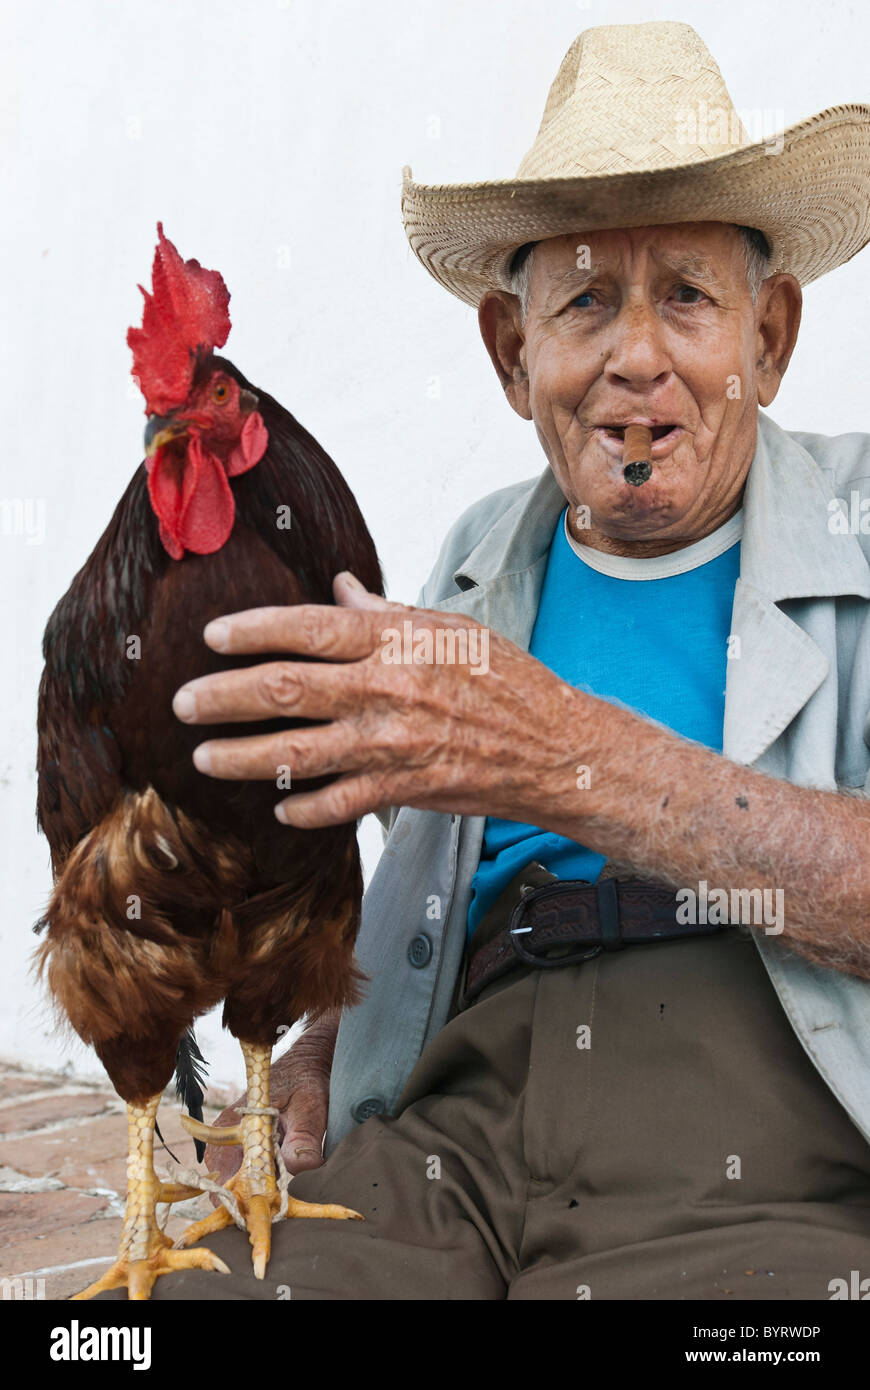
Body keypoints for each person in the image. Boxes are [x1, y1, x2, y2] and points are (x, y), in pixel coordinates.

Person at [116, 20, 870, 1300]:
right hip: (453, 1126)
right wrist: (323, 1049)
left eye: (687, 294)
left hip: (753, 1132)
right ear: (516, 356)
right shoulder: (480, 560)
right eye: (585, 301)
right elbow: (424, 894)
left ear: (771, 336)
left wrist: (562, 755)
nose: (638, 354)